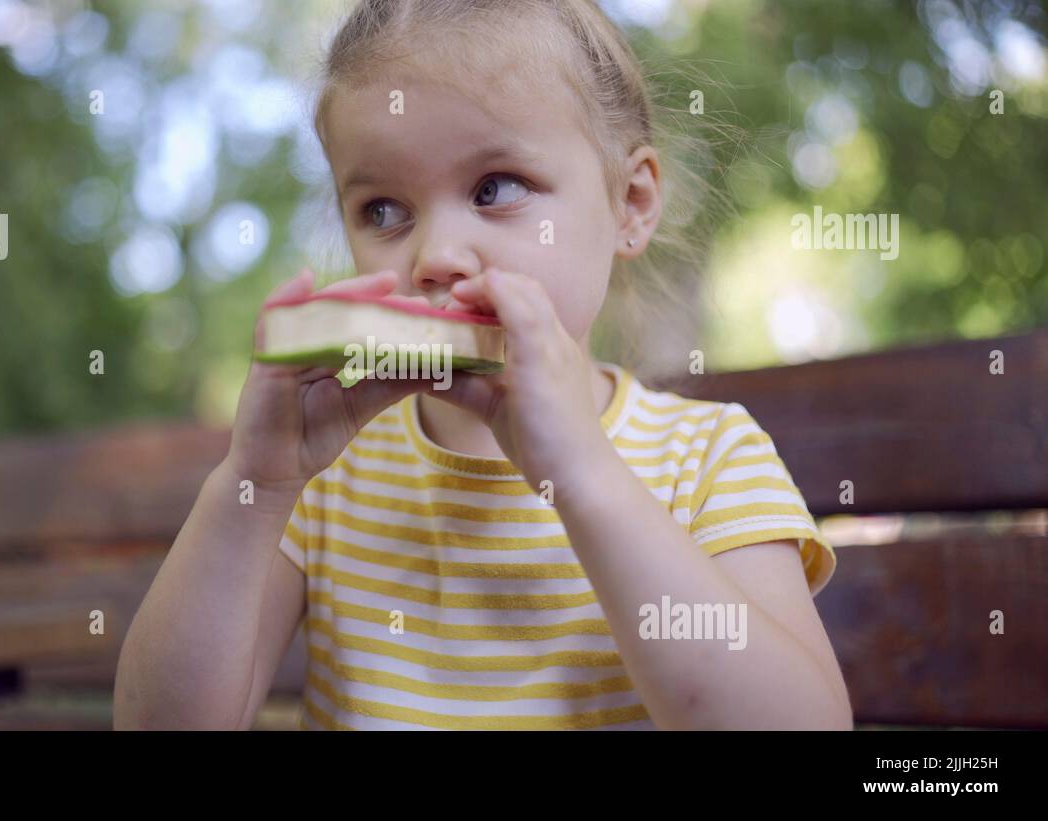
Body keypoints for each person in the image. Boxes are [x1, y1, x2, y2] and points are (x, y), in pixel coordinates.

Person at [115, 0, 852, 730]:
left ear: (630, 202)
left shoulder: (708, 459)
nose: (434, 257)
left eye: (494, 188)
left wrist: (585, 475)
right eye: (382, 210)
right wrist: (254, 482)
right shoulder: (326, 478)